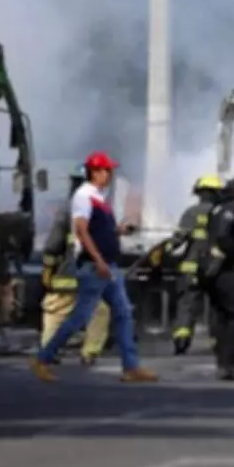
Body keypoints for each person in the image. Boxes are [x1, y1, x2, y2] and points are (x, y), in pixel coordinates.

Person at [31, 151, 158, 383]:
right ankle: (43, 359)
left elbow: (99, 230)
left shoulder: (99, 198)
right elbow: (81, 229)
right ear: (95, 172)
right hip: (94, 267)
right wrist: (98, 260)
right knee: (79, 317)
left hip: (108, 265)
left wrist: (119, 231)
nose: (110, 175)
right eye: (106, 171)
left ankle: (131, 367)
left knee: (123, 313)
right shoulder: (84, 196)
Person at [40, 165, 111, 366]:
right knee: (100, 311)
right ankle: (90, 353)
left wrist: (47, 270)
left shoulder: (67, 211)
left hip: (65, 275)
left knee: (55, 310)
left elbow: (53, 245)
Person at [202, 176, 234, 381]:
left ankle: (224, 363)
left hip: (215, 269)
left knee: (223, 315)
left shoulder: (220, 209)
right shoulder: (230, 210)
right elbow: (223, 237)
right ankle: (228, 364)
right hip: (221, 269)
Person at [171, 174, 225, 355]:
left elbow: (179, 238)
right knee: (218, 306)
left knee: (187, 305)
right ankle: (218, 340)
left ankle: (182, 340)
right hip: (216, 268)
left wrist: (168, 248)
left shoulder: (191, 212)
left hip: (191, 268)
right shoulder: (223, 213)